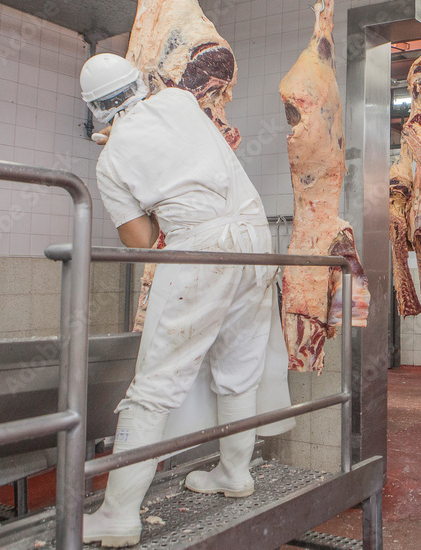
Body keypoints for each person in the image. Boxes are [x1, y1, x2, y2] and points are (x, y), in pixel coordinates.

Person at [79, 53, 283, 547]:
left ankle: (119, 515)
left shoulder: (111, 160)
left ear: (96, 110)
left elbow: (142, 239)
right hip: (258, 238)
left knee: (152, 388)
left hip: (201, 248)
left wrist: (120, 157)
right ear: (138, 84)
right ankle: (235, 473)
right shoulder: (176, 99)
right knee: (240, 367)